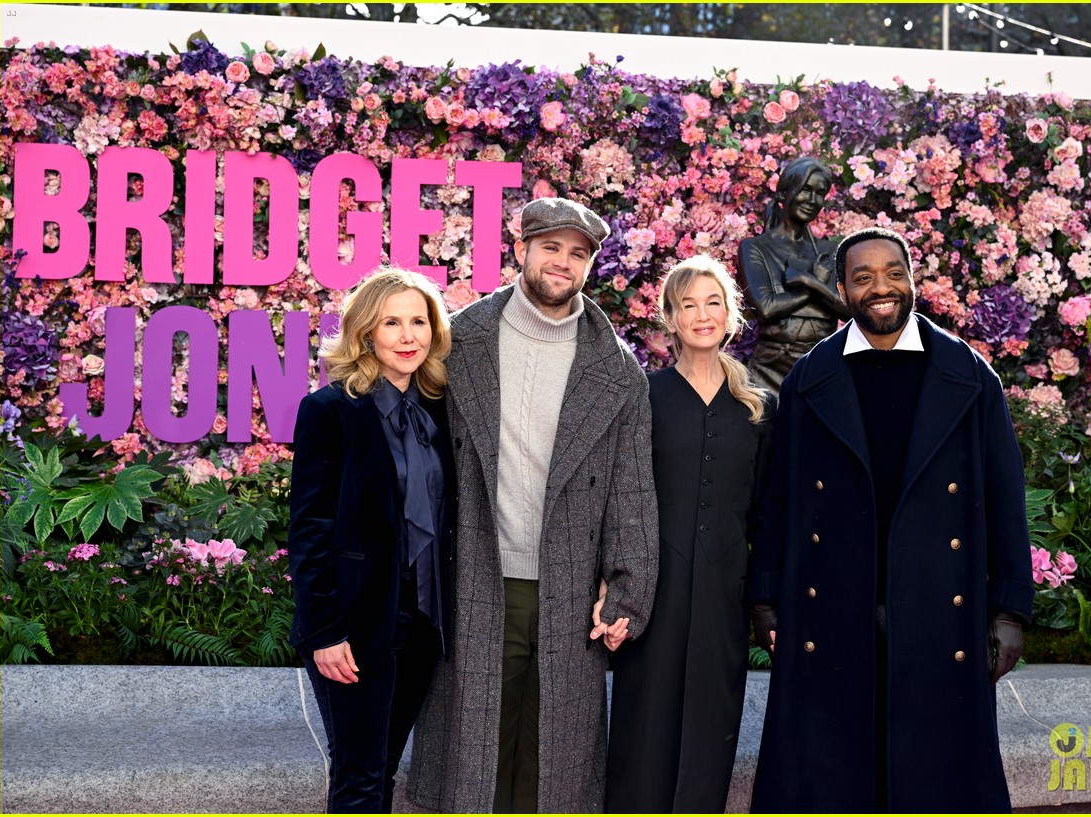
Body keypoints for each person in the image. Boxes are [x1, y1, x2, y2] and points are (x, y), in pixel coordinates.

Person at [747, 227, 1034, 812]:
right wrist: (766, 598)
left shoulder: (969, 376)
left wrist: (1009, 611)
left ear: (911, 280)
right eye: (863, 277)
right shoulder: (810, 378)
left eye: (892, 273)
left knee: (934, 783)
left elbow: (1006, 498)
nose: (881, 288)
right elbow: (780, 497)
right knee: (833, 780)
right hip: (833, 610)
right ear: (843, 290)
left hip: (938, 613)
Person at [406, 196, 659, 813]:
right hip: (473, 575)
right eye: (551, 247)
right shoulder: (458, 341)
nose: (562, 263)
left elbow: (632, 488)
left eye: (578, 254)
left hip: (569, 589)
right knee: (474, 754)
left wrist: (629, 588)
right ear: (522, 249)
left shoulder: (617, 369)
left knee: (552, 764)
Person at [605, 255, 773, 813]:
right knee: (643, 729)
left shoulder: (757, 409)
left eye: (714, 302)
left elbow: (767, 514)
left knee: (711, 731)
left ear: (730, 315)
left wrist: (764, 601)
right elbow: (614, 500)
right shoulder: (643, 398)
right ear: (670, 320)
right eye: (688, 305)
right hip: (653, 595)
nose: (702, 315)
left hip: (726, 597)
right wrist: (610, 587)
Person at [288, 266, 456, 813]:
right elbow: (309, 530)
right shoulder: (330, 412)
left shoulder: (440, 412)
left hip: (422, 622)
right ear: (365, 332)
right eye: (392, 323)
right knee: (359, 777)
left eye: (418, 321)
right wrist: (324, 631)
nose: (409, 336)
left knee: (381, 769)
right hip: (353, 626)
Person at [740, 156, 849, 393]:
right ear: (784, 193)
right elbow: (767, 307)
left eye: (820, 193)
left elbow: (848, 309)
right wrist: (819, 290)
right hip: (769, 369)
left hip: (821, 369)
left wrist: (808, 282)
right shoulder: (755, 247)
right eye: (806, 189)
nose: (812, 200)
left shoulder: (829, 251)